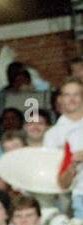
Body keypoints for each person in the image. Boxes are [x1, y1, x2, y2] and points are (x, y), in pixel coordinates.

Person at [47, 78, 83, 217]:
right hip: (75, 195)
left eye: (76, 94)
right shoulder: (52, 134)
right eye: (67, 95)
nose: (71, 99)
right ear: (60, 99)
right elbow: (52, 171)